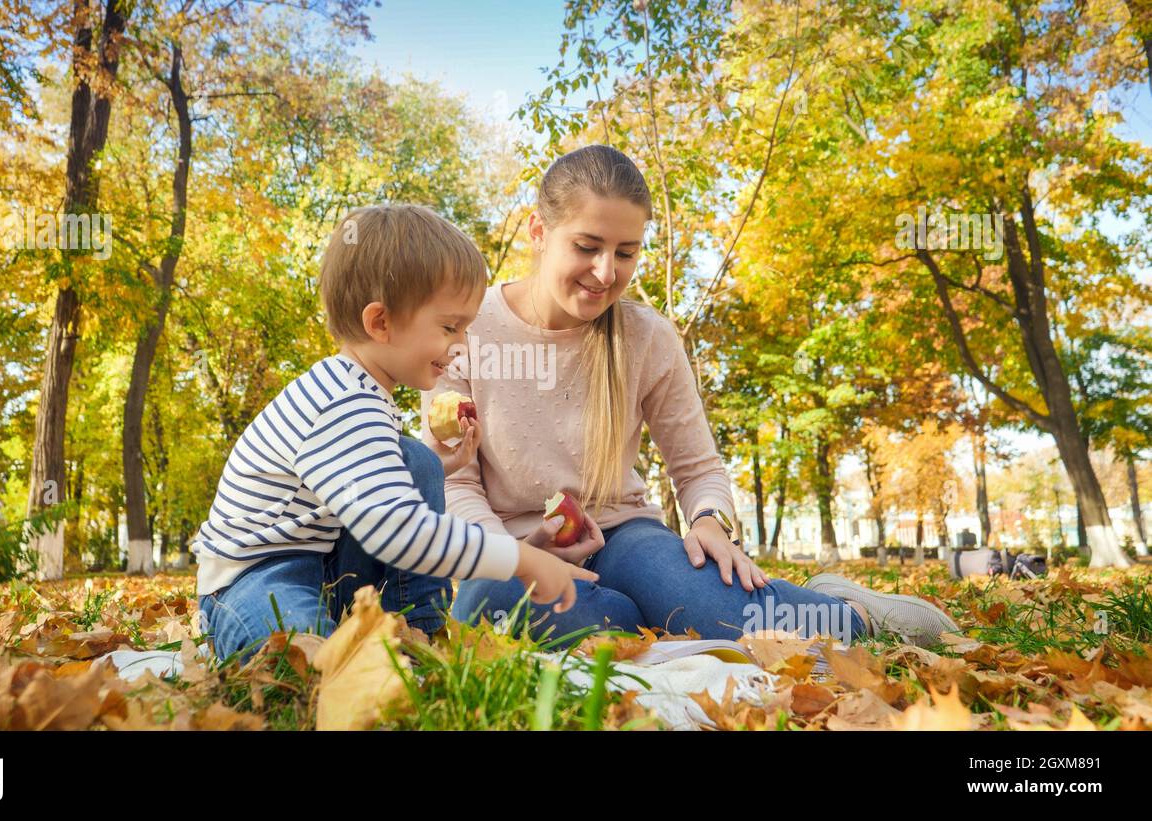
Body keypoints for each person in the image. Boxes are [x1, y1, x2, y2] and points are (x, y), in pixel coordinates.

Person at [422, 145, 961, 650]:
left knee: (711, 605)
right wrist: (514, 557)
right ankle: (663, 612)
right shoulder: (467, 328)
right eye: (587, 246)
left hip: (626, 537)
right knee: (490, 607)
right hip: (514, 548)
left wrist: (707, 521)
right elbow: (454, 480)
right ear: (540, 231)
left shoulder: (646, 336)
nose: (606, 273)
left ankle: (851, 615)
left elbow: (698, 467)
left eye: (626, 253)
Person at [193, 204, 598, 664]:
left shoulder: (365, 393)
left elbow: (369, 480)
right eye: (450, 327)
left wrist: (443, 465)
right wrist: (522, 560)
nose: (462, 343)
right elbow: (396, 531)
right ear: (380, 323)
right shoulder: (342, 402)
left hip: (322, 565)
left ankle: (418, 633)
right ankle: (340, 647)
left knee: (418, 459)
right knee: (309, 661)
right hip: (253, 579)